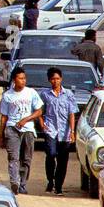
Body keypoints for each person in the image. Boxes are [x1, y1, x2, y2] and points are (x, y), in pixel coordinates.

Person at [0, 66, 43, 195]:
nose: (23, 81)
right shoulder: (7, 96)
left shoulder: (31, 93)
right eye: (20, 78)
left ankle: (23, 183)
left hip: (28, 130)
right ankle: (14, 182)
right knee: (13, 157)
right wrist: (1, 136)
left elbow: (39, 110)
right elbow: (4, 117)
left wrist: (27, 119)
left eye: (24, 78)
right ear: (14, 80)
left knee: (27, 159)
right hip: (12, 129)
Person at [39, 67, 77, 195]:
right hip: (51, 129)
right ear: (49, 80)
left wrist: (72, 131)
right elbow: (39, 111)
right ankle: (50, 180)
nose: (56, 81)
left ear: (61, 79)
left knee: (63, 160)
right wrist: (42, 124)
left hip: (65, 131)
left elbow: (72, 113)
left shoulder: (69, 95)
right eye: (53, 79)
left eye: (58, 79)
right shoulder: (44, 94)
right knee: (51, 153)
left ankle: (59, 186)